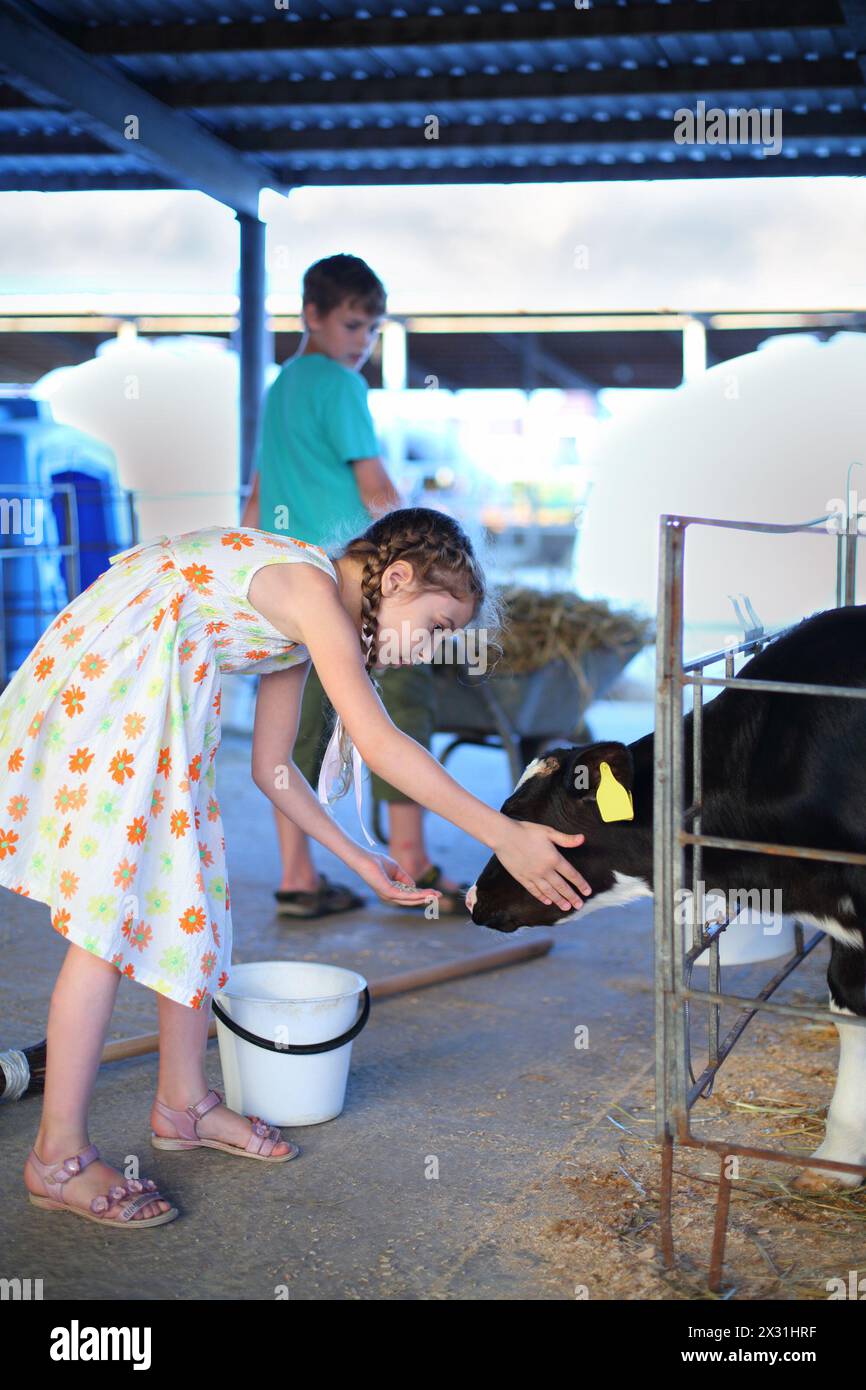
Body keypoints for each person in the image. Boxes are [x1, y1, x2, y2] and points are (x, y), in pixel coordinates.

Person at [0, 507, 592, 1230]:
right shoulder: (312, 594)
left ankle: (182, 1105)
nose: (430, 650)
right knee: (105, 925)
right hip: (110, 696)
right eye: (436, 627)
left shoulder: (310, 620)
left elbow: (273, 768)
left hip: (155, 701)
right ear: (397, 578)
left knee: (194, 895)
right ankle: (55, 1156)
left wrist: (358, 856)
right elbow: (379, 742)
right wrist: (505, 836)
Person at [242, 253, 470, 918]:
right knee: (401, 700)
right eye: (351, 325)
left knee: (294, 739)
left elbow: (256, 502)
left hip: (284, 594)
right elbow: (376, 490)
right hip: (353, 587)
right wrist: (436, 557)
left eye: (371, 330)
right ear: (311, 315)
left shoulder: (281, 387)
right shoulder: (340, 386)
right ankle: (410, 859)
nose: (361, 343)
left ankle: (298, 878)